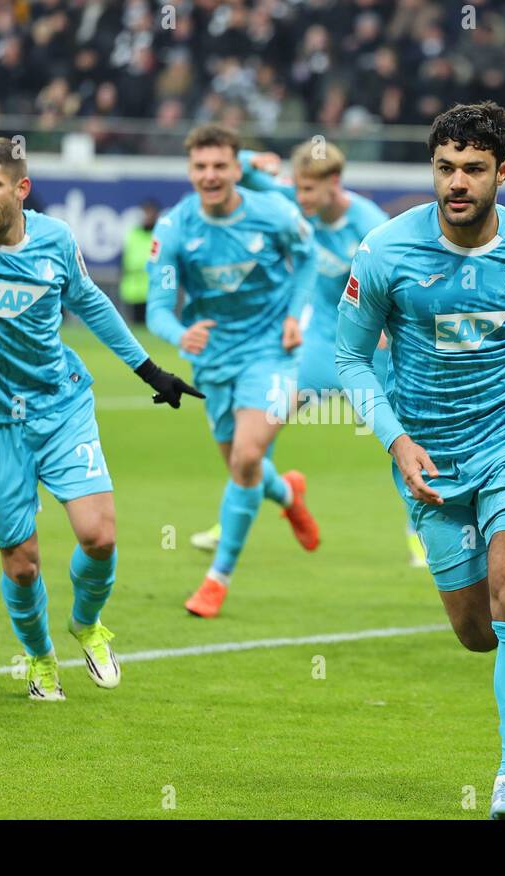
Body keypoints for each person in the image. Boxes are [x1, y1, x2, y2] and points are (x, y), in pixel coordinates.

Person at [0, 38, 200, 699]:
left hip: (58, 404)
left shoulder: (54, 241)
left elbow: (92, 304)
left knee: (98, 535)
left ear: (20, 189)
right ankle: (40, 656)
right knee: (22, 567)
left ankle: (88, 624)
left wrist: (148, 371)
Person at [335, 102, 505, 820]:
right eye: (446, 167)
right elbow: (351, 357)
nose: (458, 182)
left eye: (474, 169)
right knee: (479, 632)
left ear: (502, 173)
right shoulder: (385, 252)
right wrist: (396, 438)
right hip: (431, 457)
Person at [186, 142, 426, 566]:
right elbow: (227, 168)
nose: (300, 199)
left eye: (309, 190)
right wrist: (251, 160)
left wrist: (391, 321)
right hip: (318, 345)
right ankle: (233, 515)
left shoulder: (369, 224)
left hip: (375, 346)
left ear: (334, 183)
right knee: (260, 421)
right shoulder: (293, 200)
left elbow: (402, 277)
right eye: (296, 189)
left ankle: (418, 534)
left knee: (407, 439)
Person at [146, 125, 320, 619]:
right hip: (214, 363)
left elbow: (307, 261)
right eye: (200, 167)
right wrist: (180, 334)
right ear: (190, 172)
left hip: (271, 354)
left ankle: (216, 580)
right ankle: (288, 493)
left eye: (220, 165)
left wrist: (294, 315)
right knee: (242, 468)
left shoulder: (274, 213)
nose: (210, 175)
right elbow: (158, 307)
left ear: (236, 168)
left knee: (246, 456)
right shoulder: (174, 228)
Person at [119, 199, 158, 323]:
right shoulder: (133, 234)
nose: (147, 217)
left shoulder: (160, 234)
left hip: (153, 289)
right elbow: (125, 260)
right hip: (133, 290)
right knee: (135, 328)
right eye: (145, 213)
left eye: (150, 213)